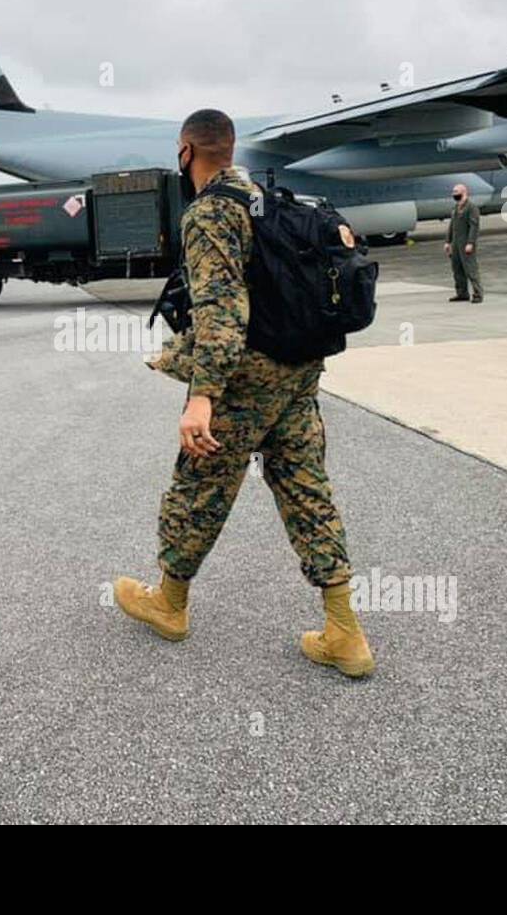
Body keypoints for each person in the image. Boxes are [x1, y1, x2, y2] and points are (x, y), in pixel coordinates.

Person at [112, 109, 373, 678]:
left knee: (200, 488)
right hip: (299, 373)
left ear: (187, 151)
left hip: (244, 379)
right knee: (307, 490)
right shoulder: (269, 199)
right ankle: (345, 633)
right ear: (230, 148)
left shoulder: (209, 212)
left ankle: (169, 604)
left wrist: (203, 396)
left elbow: (223, 312)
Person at [445, 183, 483, 303]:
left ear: (464, 192)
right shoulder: (456, 208)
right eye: (453, 192)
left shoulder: (471, 208)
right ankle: (462, 293)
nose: (454, 194)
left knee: (470, 269)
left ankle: (478, 293)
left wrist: (470, 242)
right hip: (456, 243)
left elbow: (474, 226)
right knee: (457, 269)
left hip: (466, 243)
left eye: (457, 192)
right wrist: (448, 241)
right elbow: (452, 226)